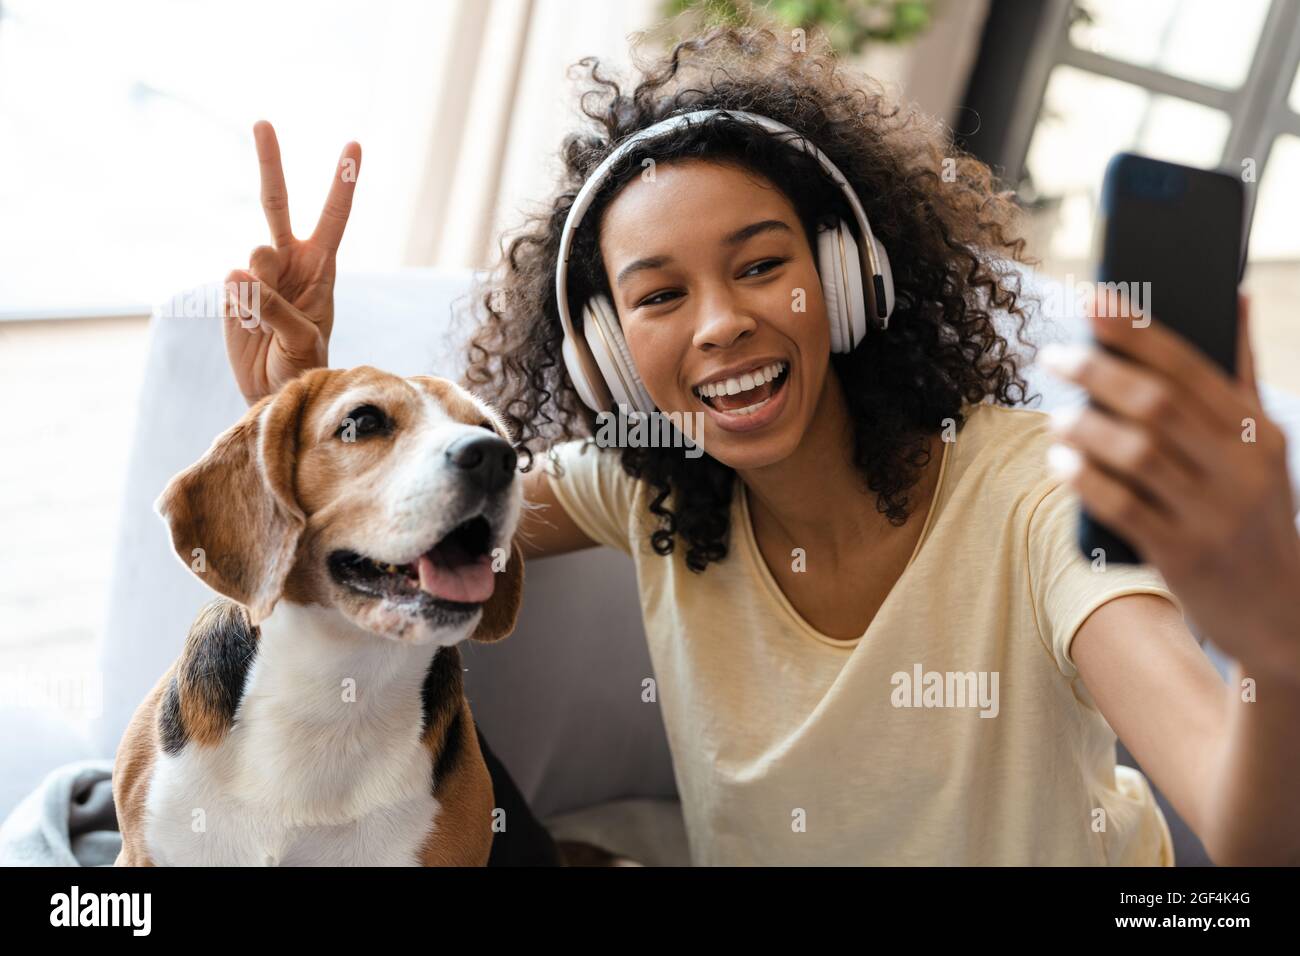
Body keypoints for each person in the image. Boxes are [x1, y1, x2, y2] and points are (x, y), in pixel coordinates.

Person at [221, 26, 1300, 865]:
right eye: (657, 294)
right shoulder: (639, 487)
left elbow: (1251, 832)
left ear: (844, 278)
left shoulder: (1027, 494)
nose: (719, 322)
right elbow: (396, 525)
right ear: (606, 349)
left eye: (758, 263)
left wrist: (1276, 644)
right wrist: (297, 396)